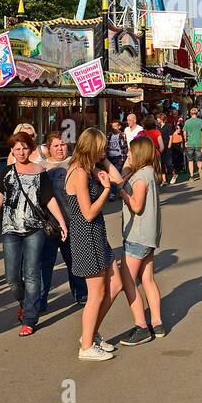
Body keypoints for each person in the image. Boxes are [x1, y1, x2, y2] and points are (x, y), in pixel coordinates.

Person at [64, 129, 148, 360]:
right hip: (86, 234)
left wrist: (103, 161)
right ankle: (87, 346)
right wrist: (107, 191)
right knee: (97, 293)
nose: (105, 151)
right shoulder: (79, 172)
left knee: (116, 283)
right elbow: (88, 213)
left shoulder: (90, 167)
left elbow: (119, 178)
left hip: (97, 234)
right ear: (91, 147)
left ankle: (90, 334)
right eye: (101, 147)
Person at [0, 132, 62, 336]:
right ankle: (25, 301)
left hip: (34, 230)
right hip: (11, 229)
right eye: (17, 148)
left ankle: (29, 318)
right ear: (12, 150)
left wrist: (62, 223)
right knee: (11, 276)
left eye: (25, 148)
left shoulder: (39, 172)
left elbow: (49, 199)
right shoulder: (7, 173)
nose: (21, 152)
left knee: (31, 273)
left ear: (31, 149)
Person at [36, 132, 87, 312]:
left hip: (71, 221)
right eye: (56, 145)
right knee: (45, 264)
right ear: (48, 148)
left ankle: (80, 292)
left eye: (63, 145)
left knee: (74, 260)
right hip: (48, 225)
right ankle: (40, 301)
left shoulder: (75, 163)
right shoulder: (41, 167)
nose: (60, 148)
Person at [120, 136, 165, 337]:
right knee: (148, 279)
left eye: (130, 152)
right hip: (150, 234)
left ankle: (141, 325)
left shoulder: (139, 178)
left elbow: (137, 205)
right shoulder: (150, 173)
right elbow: (125, 173)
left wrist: (122, 191)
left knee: (128, 280)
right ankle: (157, 322)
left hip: (137, 235)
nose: (127, 155)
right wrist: (127, 167)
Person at [183, 106, 202, 181]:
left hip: (190, 143)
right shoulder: (201, 121)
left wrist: (185, 141)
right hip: (199, 142)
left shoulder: (187, 122)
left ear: (190, 114)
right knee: (199, 159)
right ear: (197, 113)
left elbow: (185, 133)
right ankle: (200, 169)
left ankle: (191, 176)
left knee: (190, 160)